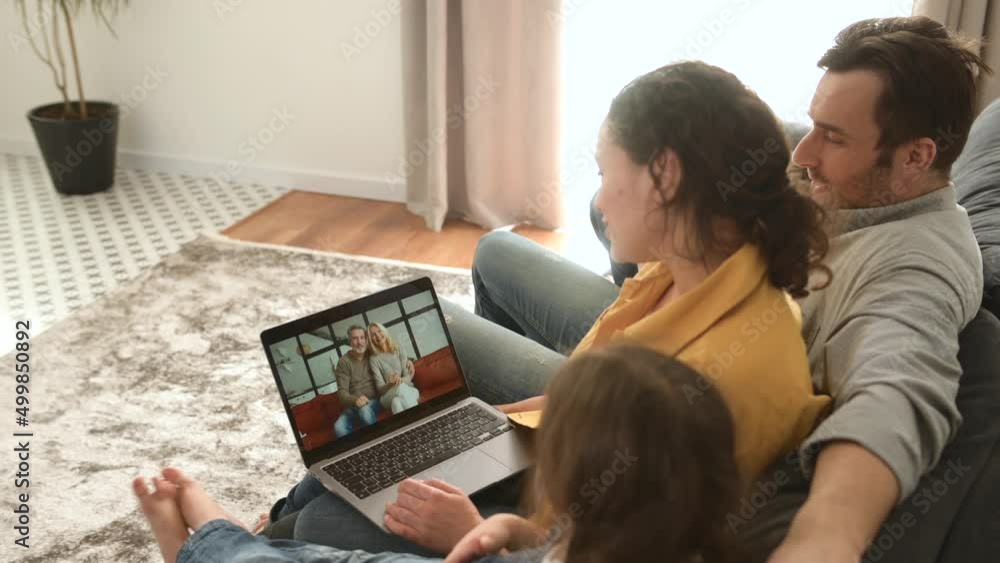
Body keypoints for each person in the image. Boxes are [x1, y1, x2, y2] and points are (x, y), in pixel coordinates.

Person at [259, 60, 835, 555]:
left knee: (321, 521)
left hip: (557, 519)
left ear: (666, 176)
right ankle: (270, 529)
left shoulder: (717, 379)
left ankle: (262, 537)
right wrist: (488, 422)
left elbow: (620, 547)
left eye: (608, 173)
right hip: (567, 445)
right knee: (356, 465)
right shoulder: (694, 265)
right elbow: (580, 396)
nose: (600, 198)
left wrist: (483, 531)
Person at [133, 344, 747, 563]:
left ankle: (206, 545)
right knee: (341, 468)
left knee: (311, 536)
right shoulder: (665, 534)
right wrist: (510, 531)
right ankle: (239, 535)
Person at [332, 326, 381, 437]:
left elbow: (392, 356)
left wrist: (408, 361)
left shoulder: (372, 353)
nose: (359, 342)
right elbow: (342, 392)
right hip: (353, 407)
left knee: (364, 411)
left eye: (362, 338)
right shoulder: (343, 362)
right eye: (355, 338)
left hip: (375, 401)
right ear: (350, 342)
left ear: (366, 340)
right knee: (338, 427)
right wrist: (355, 400)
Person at [368, 322, 420, 414]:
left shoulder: (398, 348)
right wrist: (390, 383)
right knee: (401, 388)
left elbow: (407, 377)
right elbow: (380, 389)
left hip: (409, 389)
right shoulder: (373, 359)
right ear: (371, 339)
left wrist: (402, 379)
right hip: (387, 396)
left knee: (396, 402)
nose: (378, 336)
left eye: (379, 331)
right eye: (373, 335)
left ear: (384, 331)